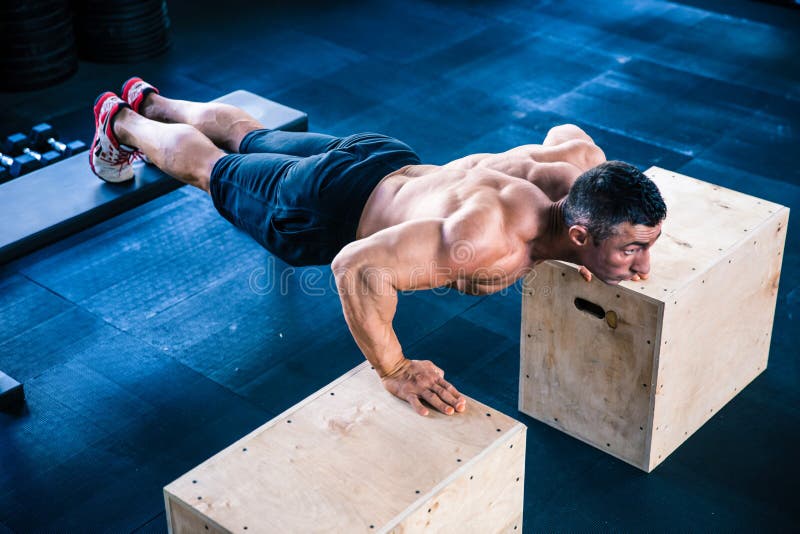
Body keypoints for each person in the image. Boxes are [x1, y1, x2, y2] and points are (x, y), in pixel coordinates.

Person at [90, 78, 667, 418]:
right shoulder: (489, 244)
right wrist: (394, 367)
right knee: (210, 166)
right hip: (321, 209)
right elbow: (358, 265)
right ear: (580, 235)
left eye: (643, 248)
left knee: (251, 137)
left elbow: (570, 133)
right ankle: (122, 123)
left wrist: (610, 246)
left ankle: (154, 100)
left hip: (383, 157)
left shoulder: (581, 168)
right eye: (631, 251)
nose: (642, 265)